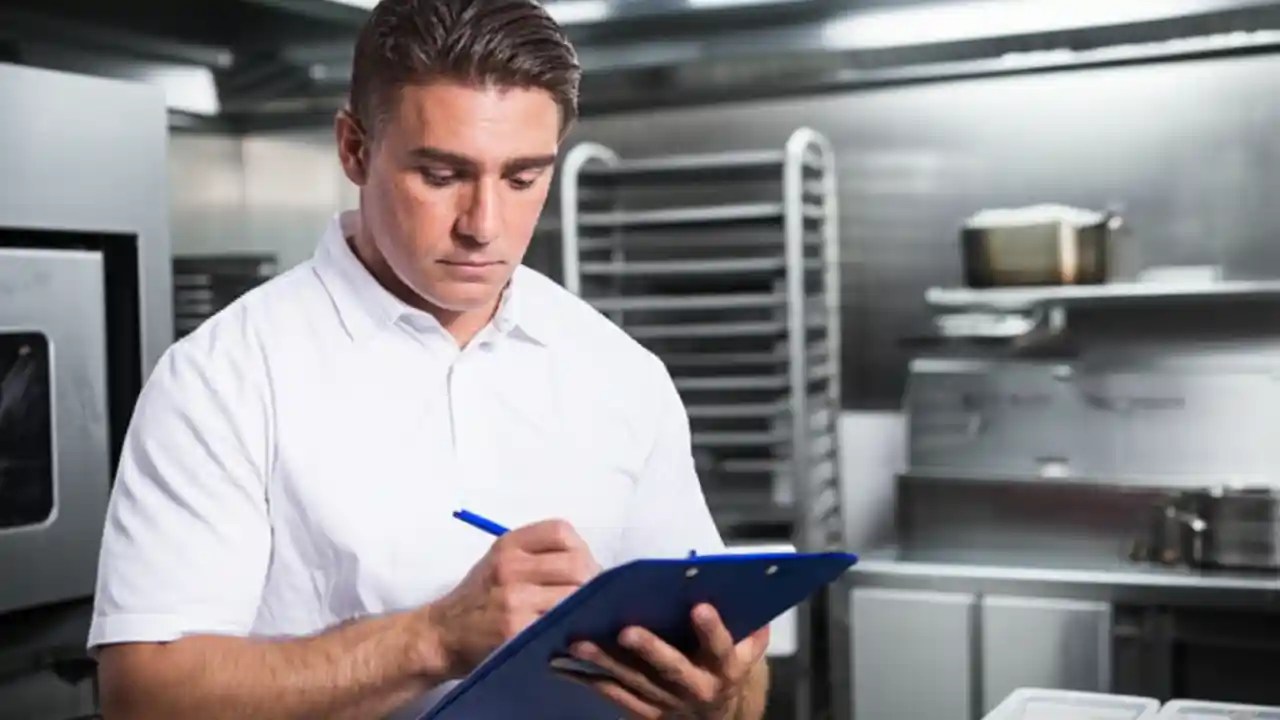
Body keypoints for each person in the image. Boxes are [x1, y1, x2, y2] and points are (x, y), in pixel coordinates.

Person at [88, 1, 771, 718]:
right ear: (354, 149)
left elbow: (738, 679)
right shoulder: (223, 377)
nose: (484, 226)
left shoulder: (621, 373)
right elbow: (145, 697)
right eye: (442, 175)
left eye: (522, 177)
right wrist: (432, 639)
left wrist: (718, 696)